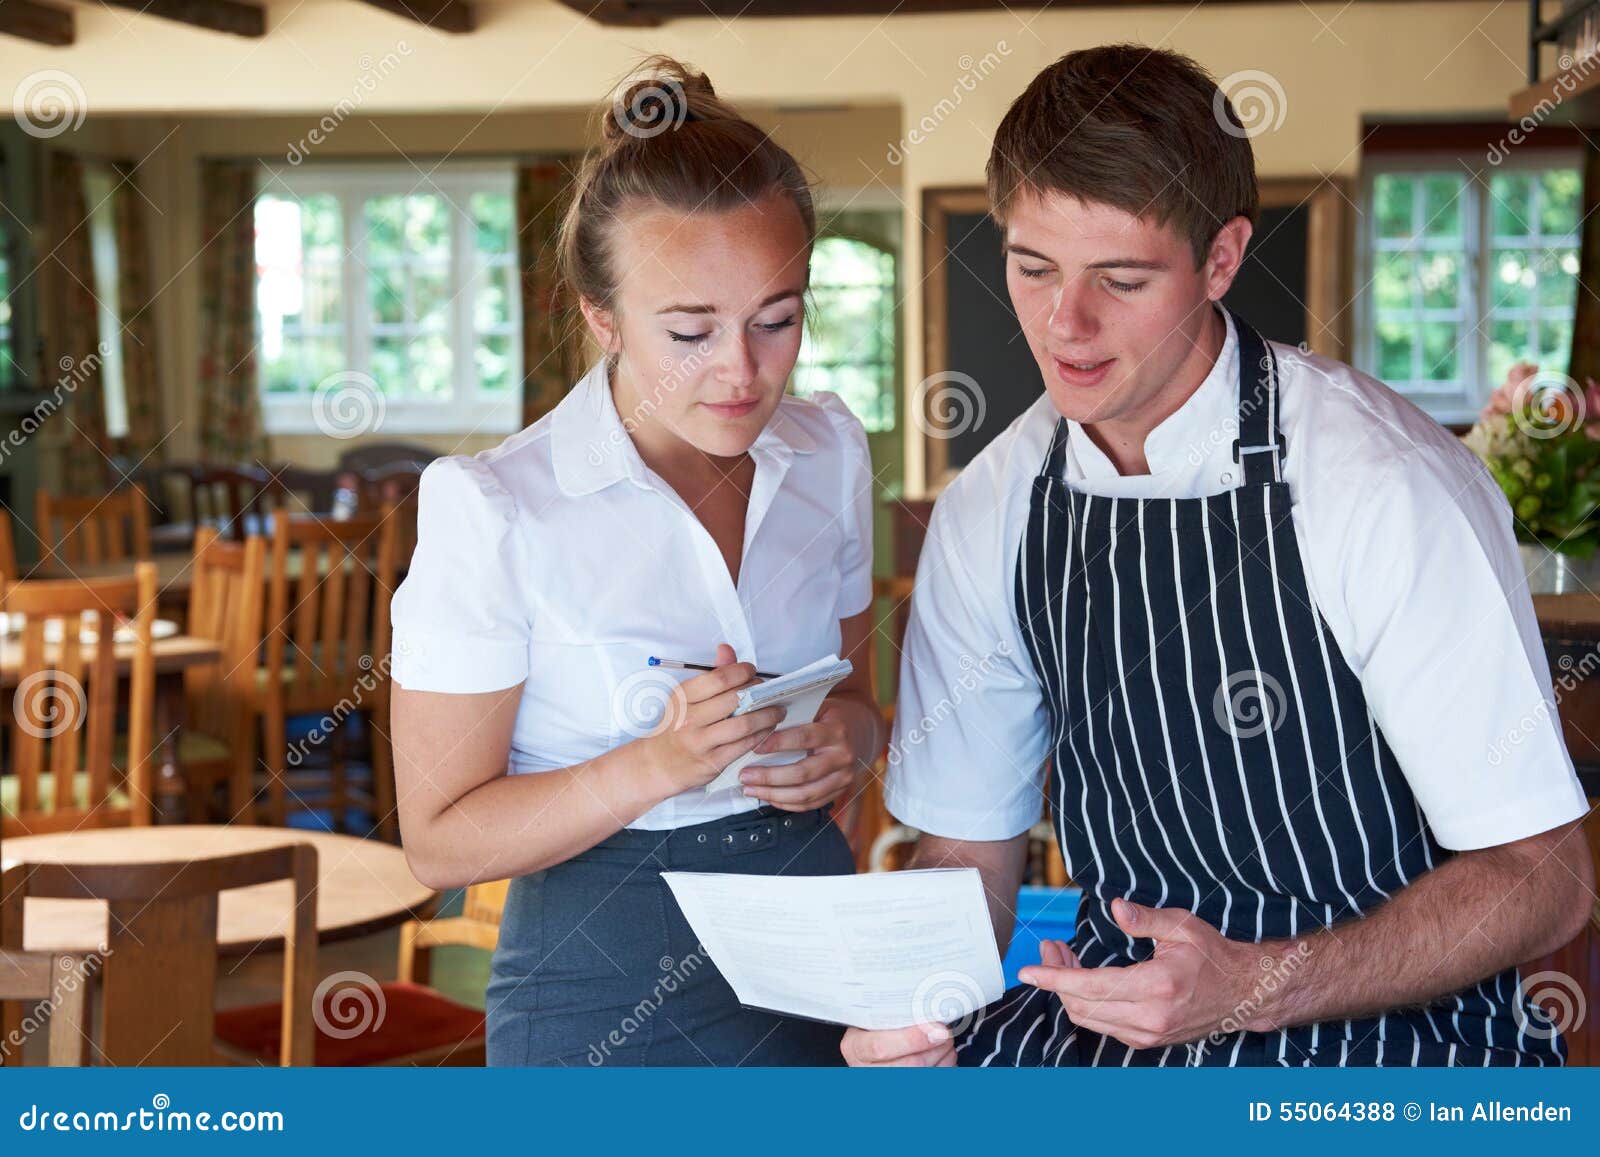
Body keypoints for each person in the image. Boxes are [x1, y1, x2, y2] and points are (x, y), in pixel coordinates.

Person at [846, 44, 1594, 1068]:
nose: (1065, 323)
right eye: (1030, 267)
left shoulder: (1377, 484)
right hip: (1119, 1034)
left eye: (1121, 276)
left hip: (1397, 1041)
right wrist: (919, 1005)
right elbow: (968, 848)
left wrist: (1254, 982)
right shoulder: (992, 509)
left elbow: (1544, 876)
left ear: (1222, 257)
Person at [388, 56, 885, 1067]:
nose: (742, 372)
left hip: (821, 938)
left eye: (777, 319)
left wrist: (850, 736)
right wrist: (652, 765)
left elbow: (861, 702)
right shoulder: (492, 508)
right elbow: (437, 839)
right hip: (600, 966)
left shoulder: (829, 450)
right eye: (691, 331)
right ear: (601, 317)